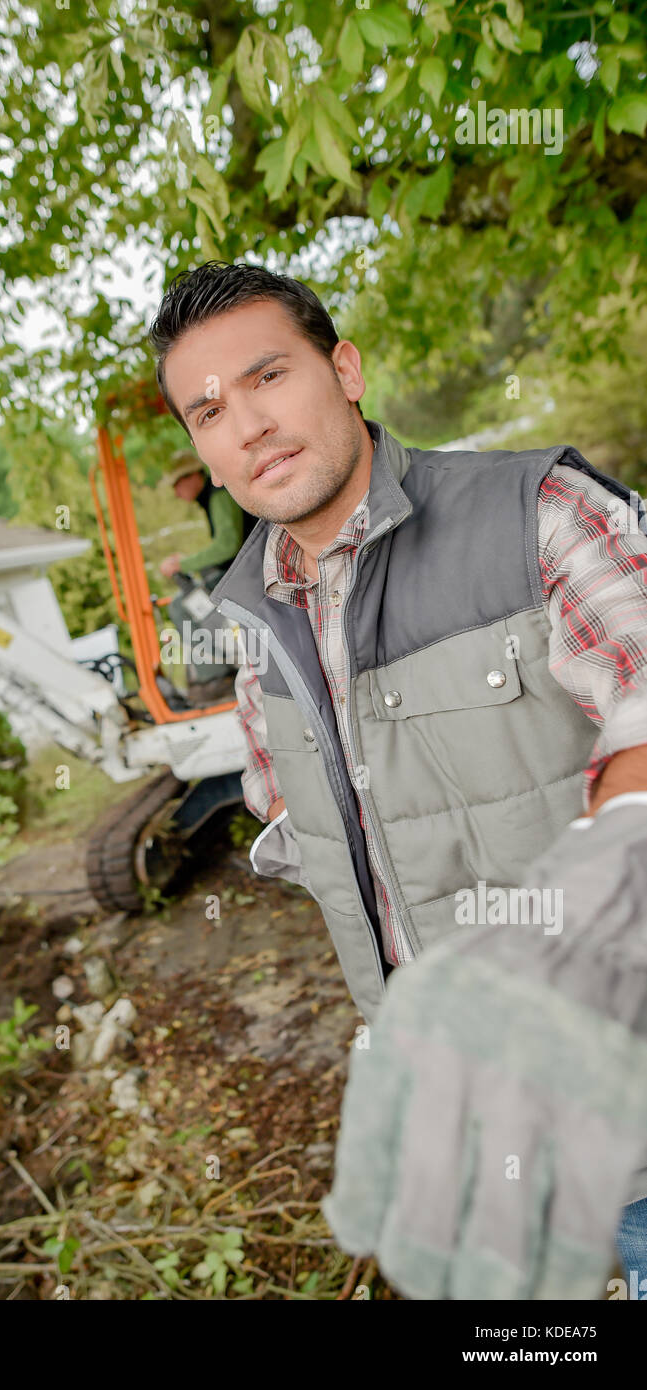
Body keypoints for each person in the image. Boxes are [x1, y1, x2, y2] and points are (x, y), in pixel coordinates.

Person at [147, 258, 647, 1301]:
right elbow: (310, 825)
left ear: (345, 369)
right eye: (206, 410)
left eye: (268, 376)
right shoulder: (254, 628)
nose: (246, 424)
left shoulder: (535, 512)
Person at [158, 449, 255, 696]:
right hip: (241, 570)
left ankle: (215, 678)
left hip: (248, 573)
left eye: (177, 485)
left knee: (180, 606)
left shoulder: (219, 496)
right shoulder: (212, 498)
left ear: (192, 477)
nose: (175, 493)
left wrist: (184, 564)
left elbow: (227, 545)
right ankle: (224, 668)